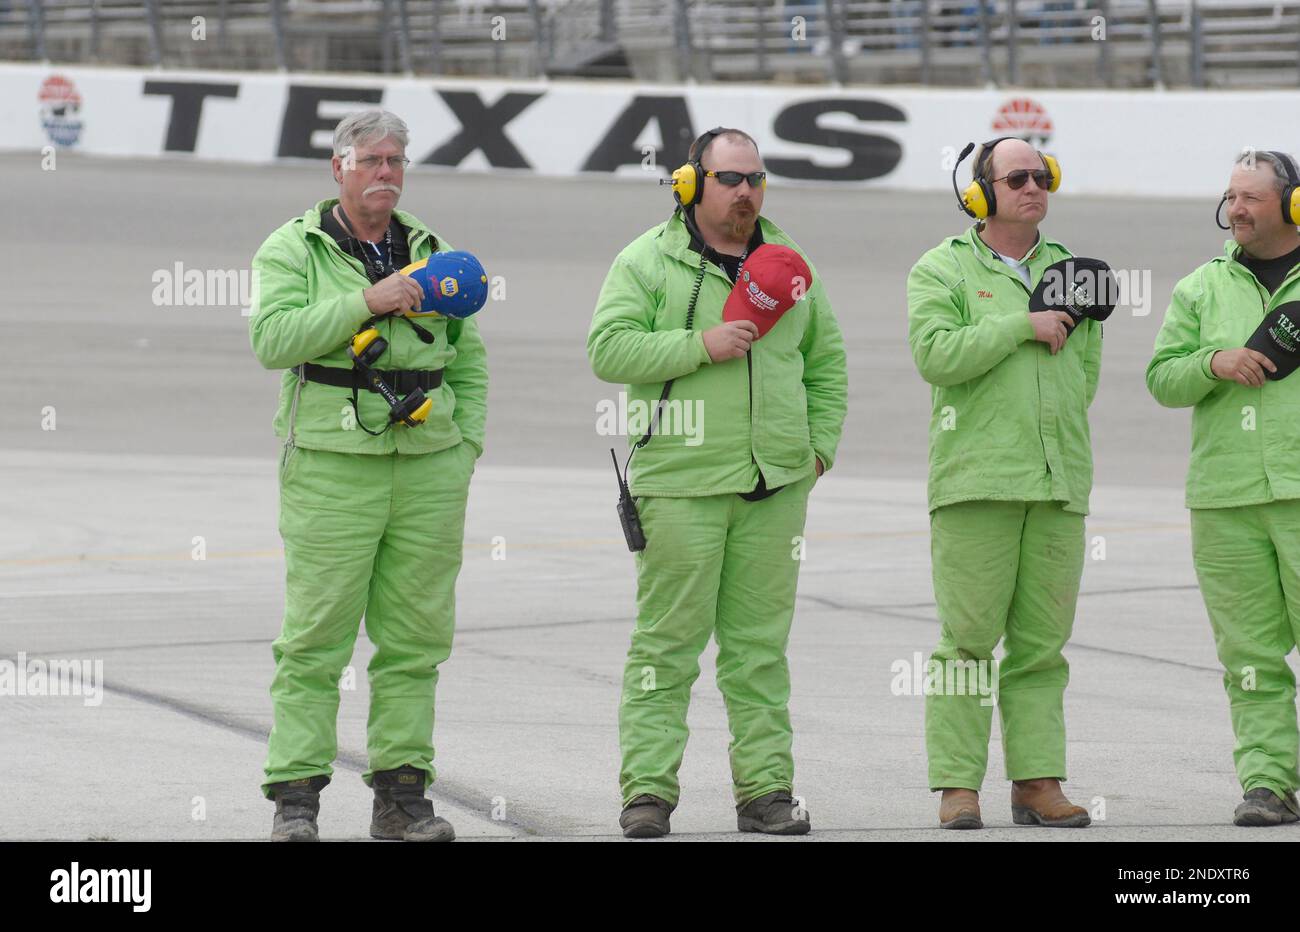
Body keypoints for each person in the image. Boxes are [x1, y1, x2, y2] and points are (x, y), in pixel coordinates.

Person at [587, 127, 848, 838]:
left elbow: (825, 364)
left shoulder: (791, 266)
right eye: (731, 179)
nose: (746, 192)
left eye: (756, 179)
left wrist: (818, 449)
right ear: (689, 184)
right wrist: (698, 345)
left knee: (759, 649)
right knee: (665, 646)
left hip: (775, 486)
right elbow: (606, 348)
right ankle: (647, 792)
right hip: (679, 484)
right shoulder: (647, 260)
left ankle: (766, 792)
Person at [249, 109, 488, 842]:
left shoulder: (432, 249)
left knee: (417, 639)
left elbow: (468, 358)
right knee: (316, 638)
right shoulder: (294, 247)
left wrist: (465, 443)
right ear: (339, 168)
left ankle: (403, 798)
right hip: (330, 466)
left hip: (427, 469)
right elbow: (271, 339)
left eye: (396, 161)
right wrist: (366, 301)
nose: (385, 173)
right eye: (372, 160)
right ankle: (297, 802)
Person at [906, 136, 1100, 829]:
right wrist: (1020, 325)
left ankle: (1037, 781)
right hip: (975, 484)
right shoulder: (941, 268)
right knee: (966, 642)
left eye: (1042, 174)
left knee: (1042, 648)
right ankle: (958, 786)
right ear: (979, 192)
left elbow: (1085, 376)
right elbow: (936, 355)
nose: (1033, 186)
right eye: (1017, 176)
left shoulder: (1075, 272)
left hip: (1057, 483)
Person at [1146, 148, 1300, 826]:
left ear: (1293, 206)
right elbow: (1162, 379)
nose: (1235, 209)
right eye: (1231, 196)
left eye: (1250, 198)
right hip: (1225, 497)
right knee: (1248, 657)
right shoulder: (1199, 287)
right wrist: (1213, 361)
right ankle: (1268, 782)